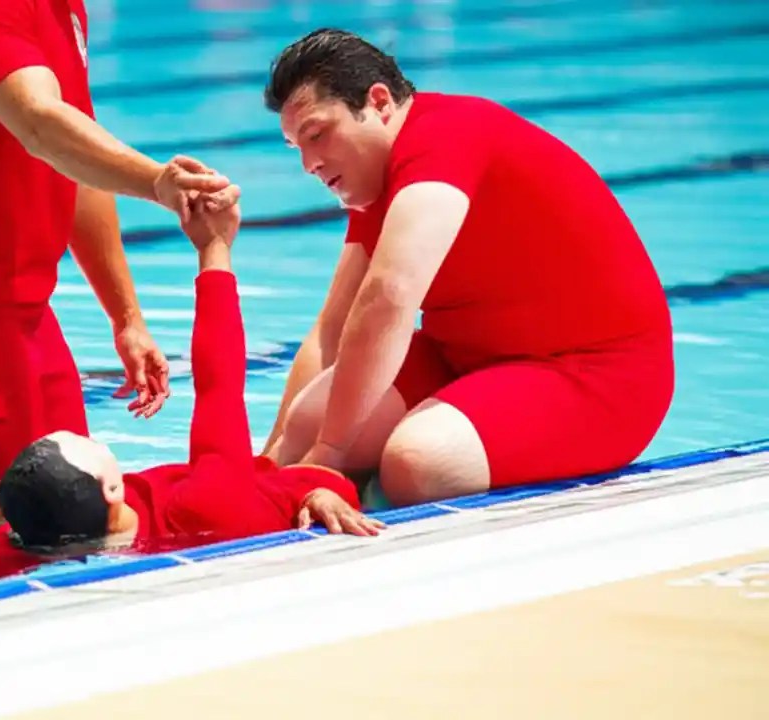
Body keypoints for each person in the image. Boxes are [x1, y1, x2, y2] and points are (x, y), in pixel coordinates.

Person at [0, 189, 384, 607]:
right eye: (76, 443)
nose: (67, 429)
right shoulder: (206, 502)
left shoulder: (29, 539)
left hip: (251, 489)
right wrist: (215, 252)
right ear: (113, 490)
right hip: (302, 488)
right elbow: (218, 380)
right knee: (328, 417)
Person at [259, 30, 675, 506]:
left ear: (378, 102)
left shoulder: (445, 139)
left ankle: (367, 491)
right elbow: (330, 331)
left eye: (317, 135)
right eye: (298, 148)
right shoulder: (376, 181)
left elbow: (389, 297)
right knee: (305, 421)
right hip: (465, 360)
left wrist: (326, 461)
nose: (310, 164)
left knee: (417, 463)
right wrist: (275, 459)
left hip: (598, 377)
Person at [0, 0, 235, 508]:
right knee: (0, 523)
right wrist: (155, 182)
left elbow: (78, 161)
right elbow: (39, 122)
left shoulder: (64, 8)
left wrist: (126, 317)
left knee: (85, 509)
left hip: (28, 315)